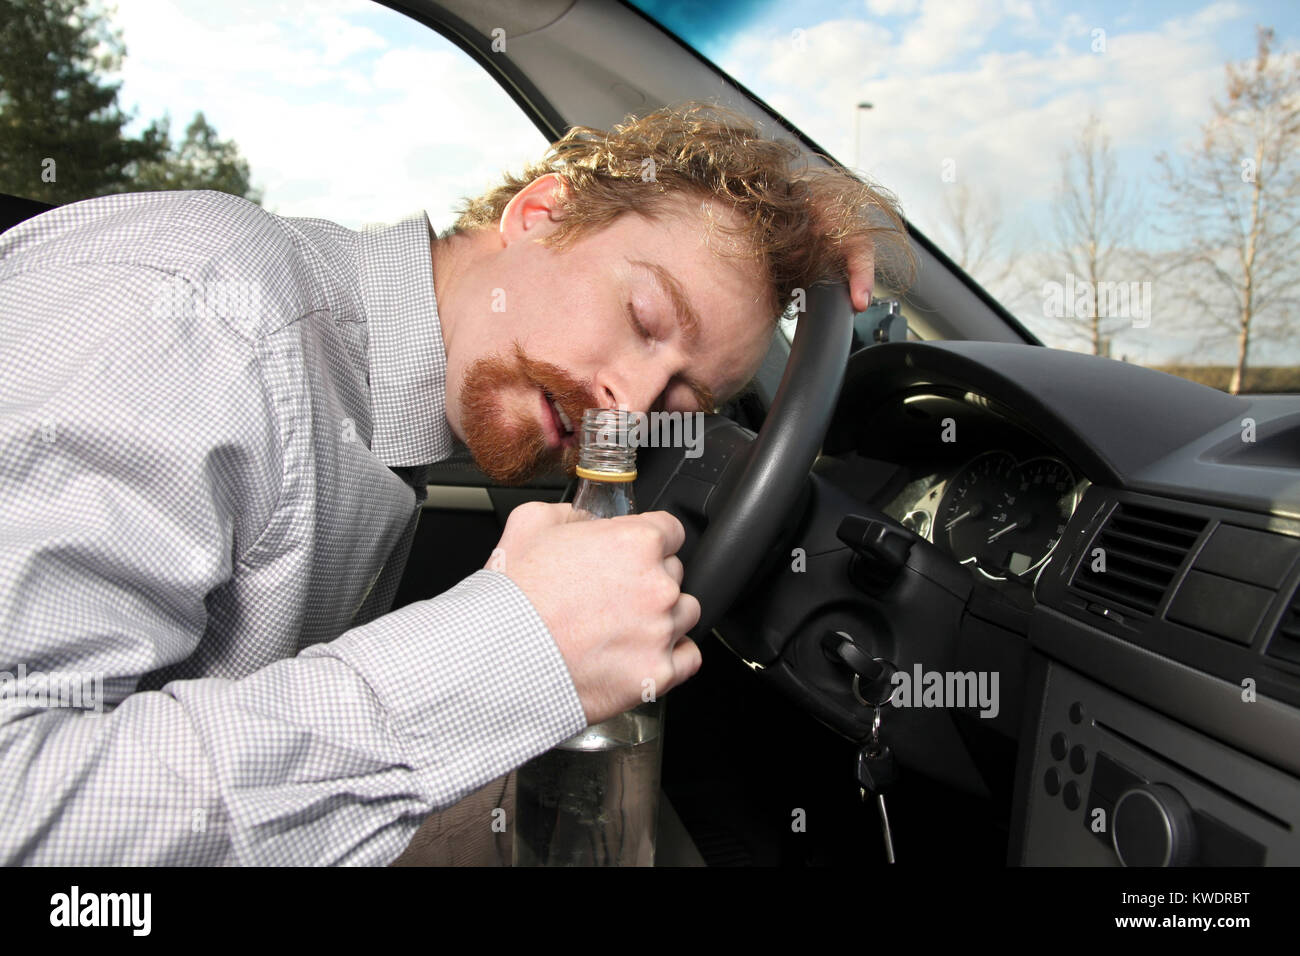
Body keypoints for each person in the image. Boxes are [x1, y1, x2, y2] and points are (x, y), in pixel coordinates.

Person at [0, 103, 910, 865]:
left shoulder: (377, 401)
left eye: (681, 394)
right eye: (643, 316)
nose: (628, 409)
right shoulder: (205, 316)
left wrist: (790, 232)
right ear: (541, 212)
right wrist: (508, 647)